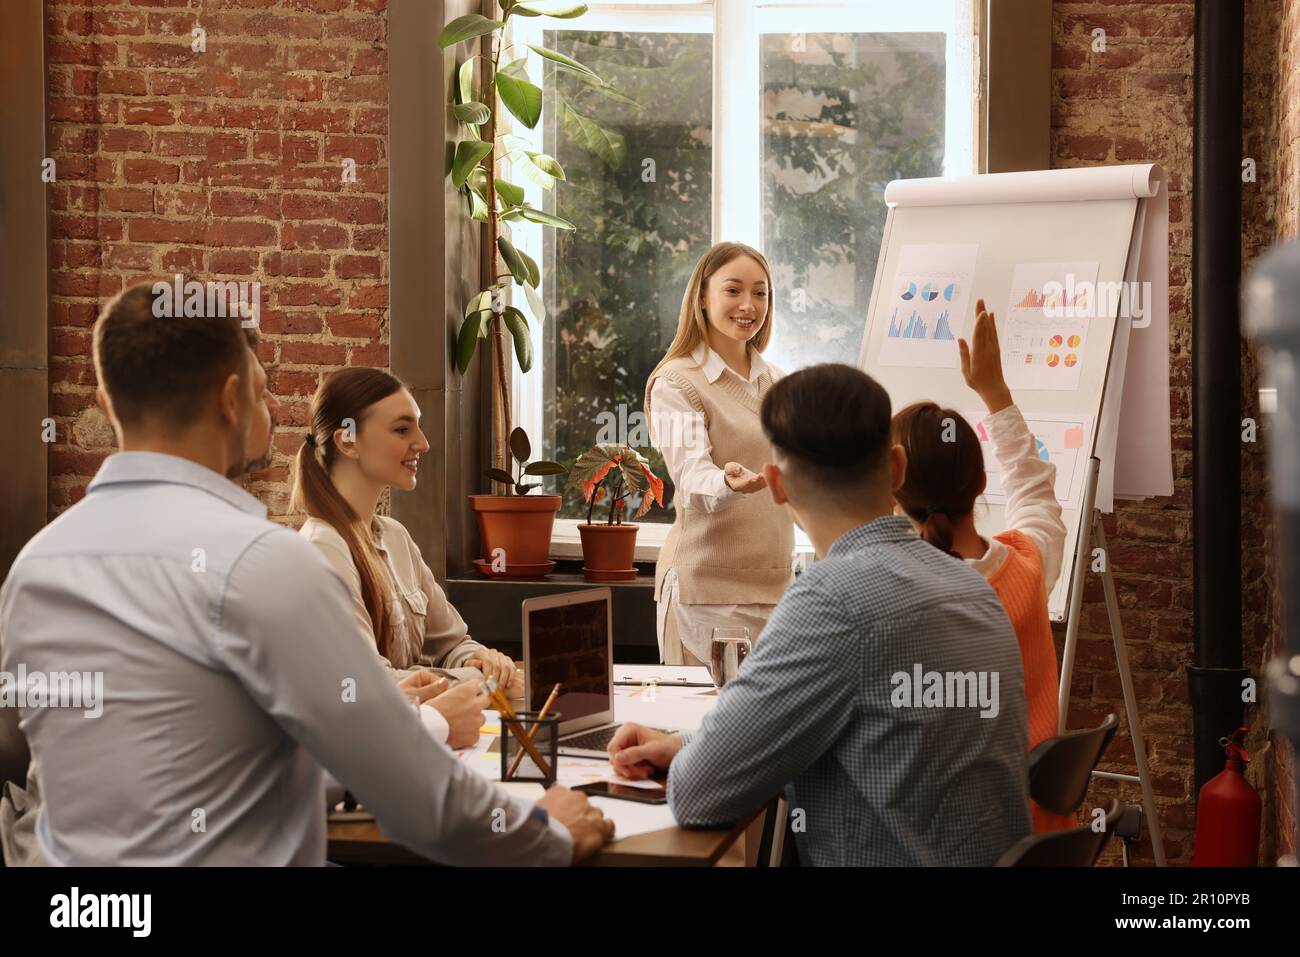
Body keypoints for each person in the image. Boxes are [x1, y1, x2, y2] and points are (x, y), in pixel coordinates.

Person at [0, 283, 613, 865]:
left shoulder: (35, 570)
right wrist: (547, 833)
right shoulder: (265, 564)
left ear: (107, 404)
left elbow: (197, 772)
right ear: (231, 398)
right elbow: (421, 800)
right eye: (264, 392)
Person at [609, 363, 1031, 865]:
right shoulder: (973, 586)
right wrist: (684, 742)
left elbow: (700, 795)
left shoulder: (830, 601)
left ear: (776, 485)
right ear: (897, 468)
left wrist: (696, 758)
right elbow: (874, 741)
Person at [891, 299, 1071, 832]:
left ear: (892, 484)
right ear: (981, 483)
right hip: (1032, 834)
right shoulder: (1026, 566)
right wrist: (995, 393)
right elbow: (1036, 493)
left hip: (948, 841)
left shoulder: (894, 598)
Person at [294, 366, 521, 748]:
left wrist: (477, 660)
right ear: (347, 441)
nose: (423, 443)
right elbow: (369, 686)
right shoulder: (321, 549)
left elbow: (452, 643)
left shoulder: (395, 537)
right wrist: (483, 681)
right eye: (402, 430)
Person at [643, 242, 795, 666]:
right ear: (703, 298)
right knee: (699, 730)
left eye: (761, 292)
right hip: (706, 594)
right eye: (733, 290)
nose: (749, 305)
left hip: (776, 590)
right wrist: (726, 482)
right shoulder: (676, 382)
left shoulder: (780, 384)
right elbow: (690, 478)